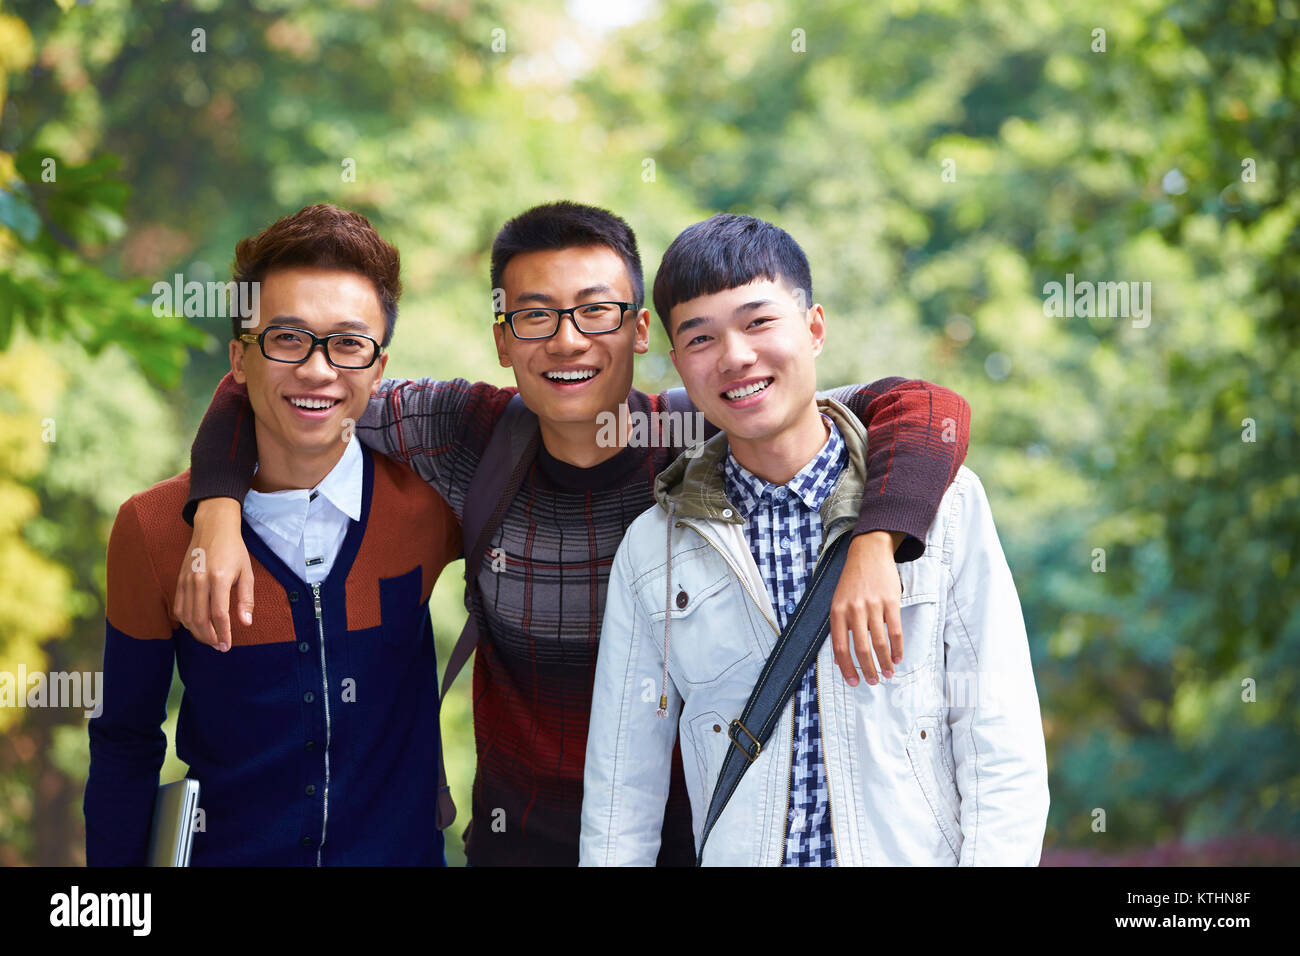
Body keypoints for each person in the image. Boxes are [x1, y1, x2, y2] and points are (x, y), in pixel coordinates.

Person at [176, 201, 973, 866]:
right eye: (535, 316)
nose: (566, 340)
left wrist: (877, 541)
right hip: (521, 840)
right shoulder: (468, 432)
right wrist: (216, 506)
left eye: (595, 311)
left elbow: (927, 406)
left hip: (706, 833)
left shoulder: (709, 429)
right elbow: (283, 380)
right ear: (501, 338)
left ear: (637, 332)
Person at [581, 214, 1049, 866]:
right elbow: (619, 793)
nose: (736, 355)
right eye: (700, 338)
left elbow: (999, 742)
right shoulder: (655, 547)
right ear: (678, 364)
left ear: (815, 328)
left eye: (758, 322)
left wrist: (875, 542)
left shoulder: (946, 506)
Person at [85, 204, 461, 865]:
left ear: (379, 370)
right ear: (239, 358)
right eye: (286, 338)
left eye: (348, 344)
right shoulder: (152, 530)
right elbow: (125, 742)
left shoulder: (430, 505)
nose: (318, 370)